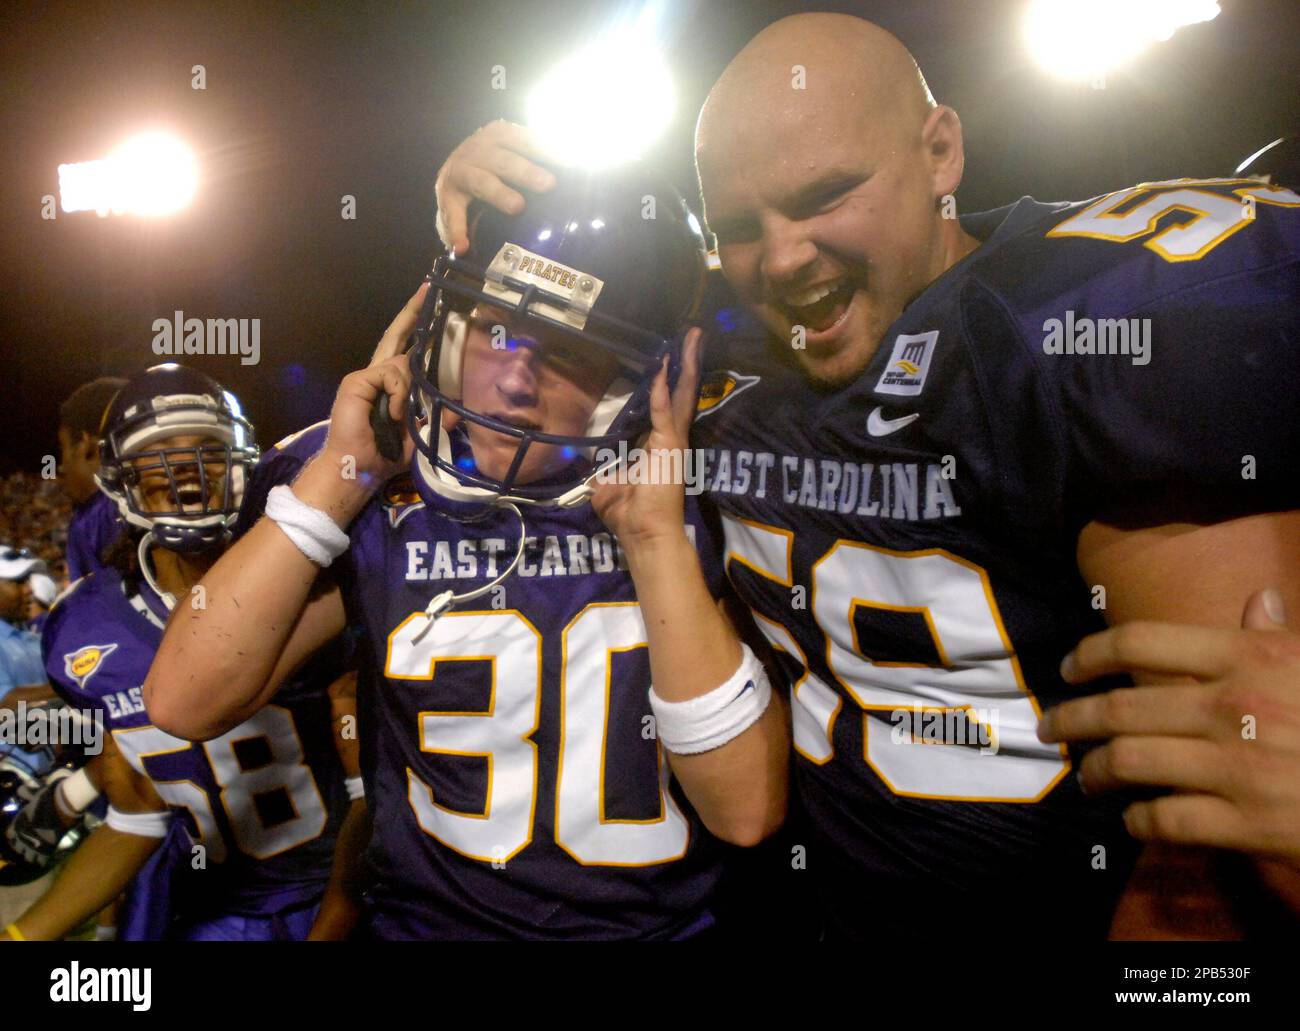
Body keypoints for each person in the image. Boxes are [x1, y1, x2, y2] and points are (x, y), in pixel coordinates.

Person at [432, 13, 1300, 938]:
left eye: (825, 197)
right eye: (739, 228)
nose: (784, 257)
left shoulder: (1075, 331)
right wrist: (479, 227)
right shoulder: (708, 357)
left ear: (941, 152)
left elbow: (1221, 821)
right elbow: (565, 323)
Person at [145, 168, 791, 939]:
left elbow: (747, 811)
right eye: (496, 328)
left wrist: (654, 541)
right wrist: (339, 478)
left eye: (569, 351)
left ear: (640, 379)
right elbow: (183, 701)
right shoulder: (375, 476)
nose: (514, 379)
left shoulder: (698, 477)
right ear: (441, 325)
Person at [2, 364, 356, 941]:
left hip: (336, 893)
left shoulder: (312, 585)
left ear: (245, 465)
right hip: (211, 910)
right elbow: (139, 809)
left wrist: (342, 912)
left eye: (209, 452)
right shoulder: (79, 630)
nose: (186, 472)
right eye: (156, 454)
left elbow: (372, 785)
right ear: (120, 480)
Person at [57, 377, 127, 582]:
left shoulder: (95, 518)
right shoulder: (152, 499)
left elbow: (99, 612)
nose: (61, 466)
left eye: (63, 448)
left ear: (86, 446)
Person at [0, 547, 50, 709]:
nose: (30, 589)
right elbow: (5, 703)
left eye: (28, 580)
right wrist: (73, 688)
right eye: (18, 582)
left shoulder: (30, 636)